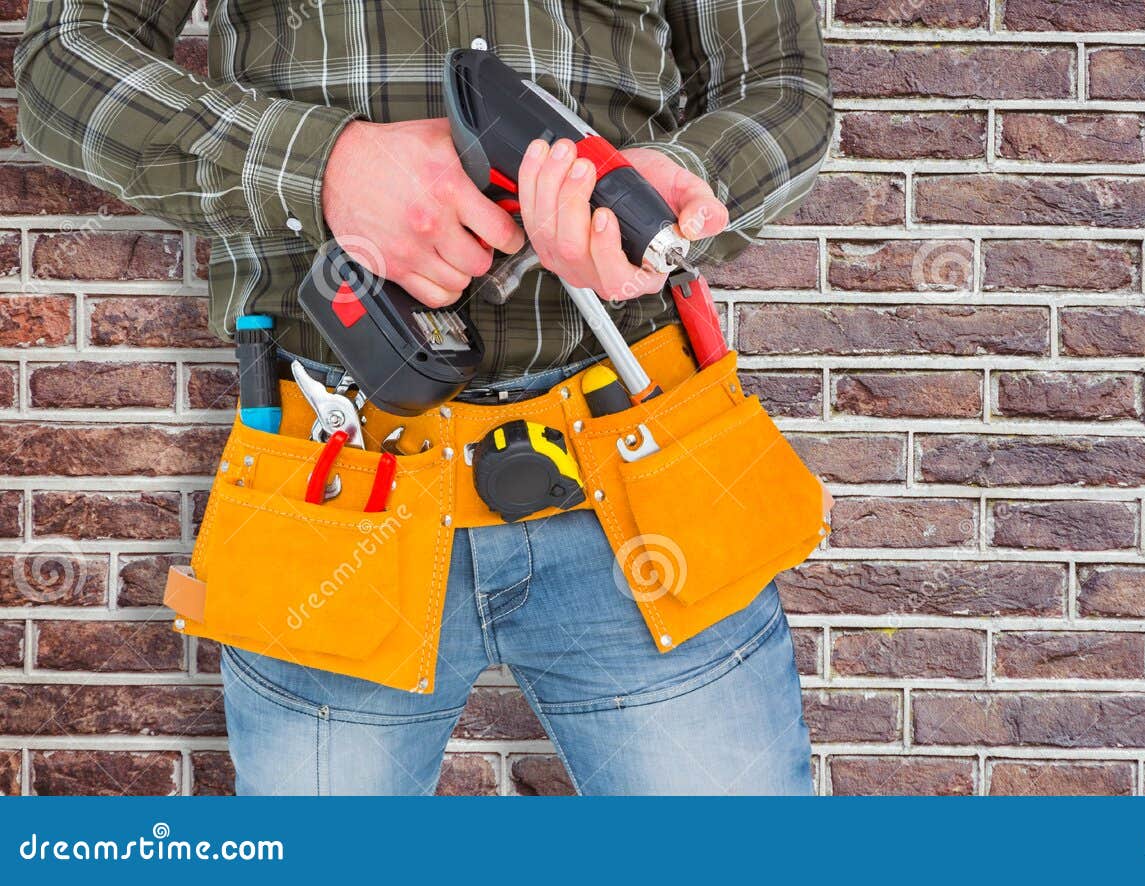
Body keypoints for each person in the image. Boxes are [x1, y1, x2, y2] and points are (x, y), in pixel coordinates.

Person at [16, 0, 832, 795]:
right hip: (334, 481)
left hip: (638, 459)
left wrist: (675, 188)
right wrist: (320, 167)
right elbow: (64, 60)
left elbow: (781, 87)